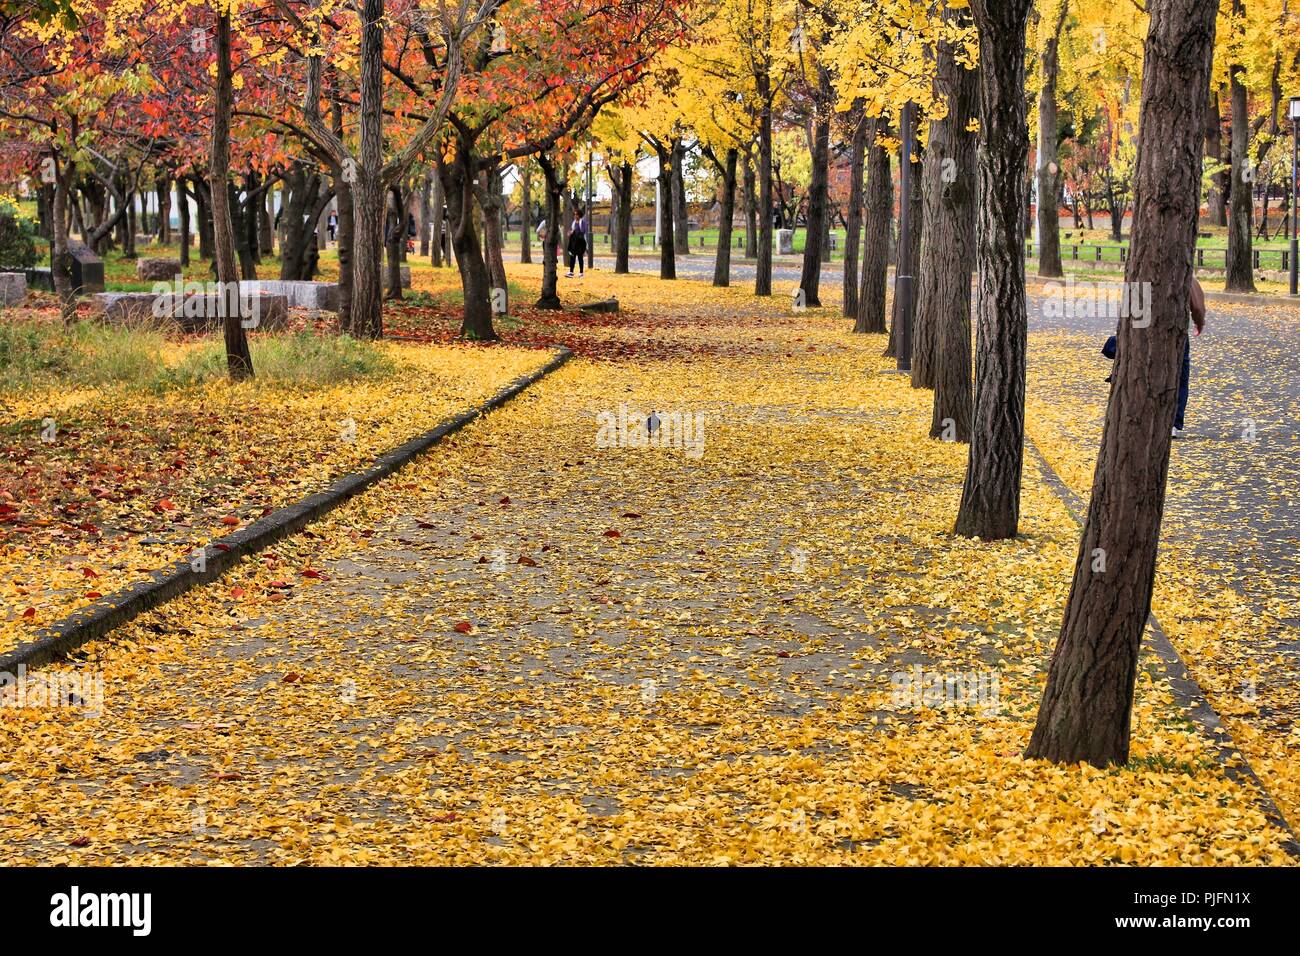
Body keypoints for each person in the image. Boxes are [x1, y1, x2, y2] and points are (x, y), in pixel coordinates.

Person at [1174, 276, 1206, 438]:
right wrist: (1199, 323)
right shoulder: (1186, 275)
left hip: (1145, 335)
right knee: (1180, 378)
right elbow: (1198, 308)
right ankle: (1174, 423)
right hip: (1177, 333)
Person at [565, 208, 587, 278]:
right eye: (574, 214)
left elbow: (583, 231)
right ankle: (571, 272)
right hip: (574, 242)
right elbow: (572, 230)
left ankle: (581, 273)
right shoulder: (574, 222)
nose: (575, 216)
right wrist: (570, 233)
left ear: (579, 215)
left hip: (580, 243)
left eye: (576, 214)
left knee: (580, 257)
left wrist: (576, 232)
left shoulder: (582, 222)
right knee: (572, 257)